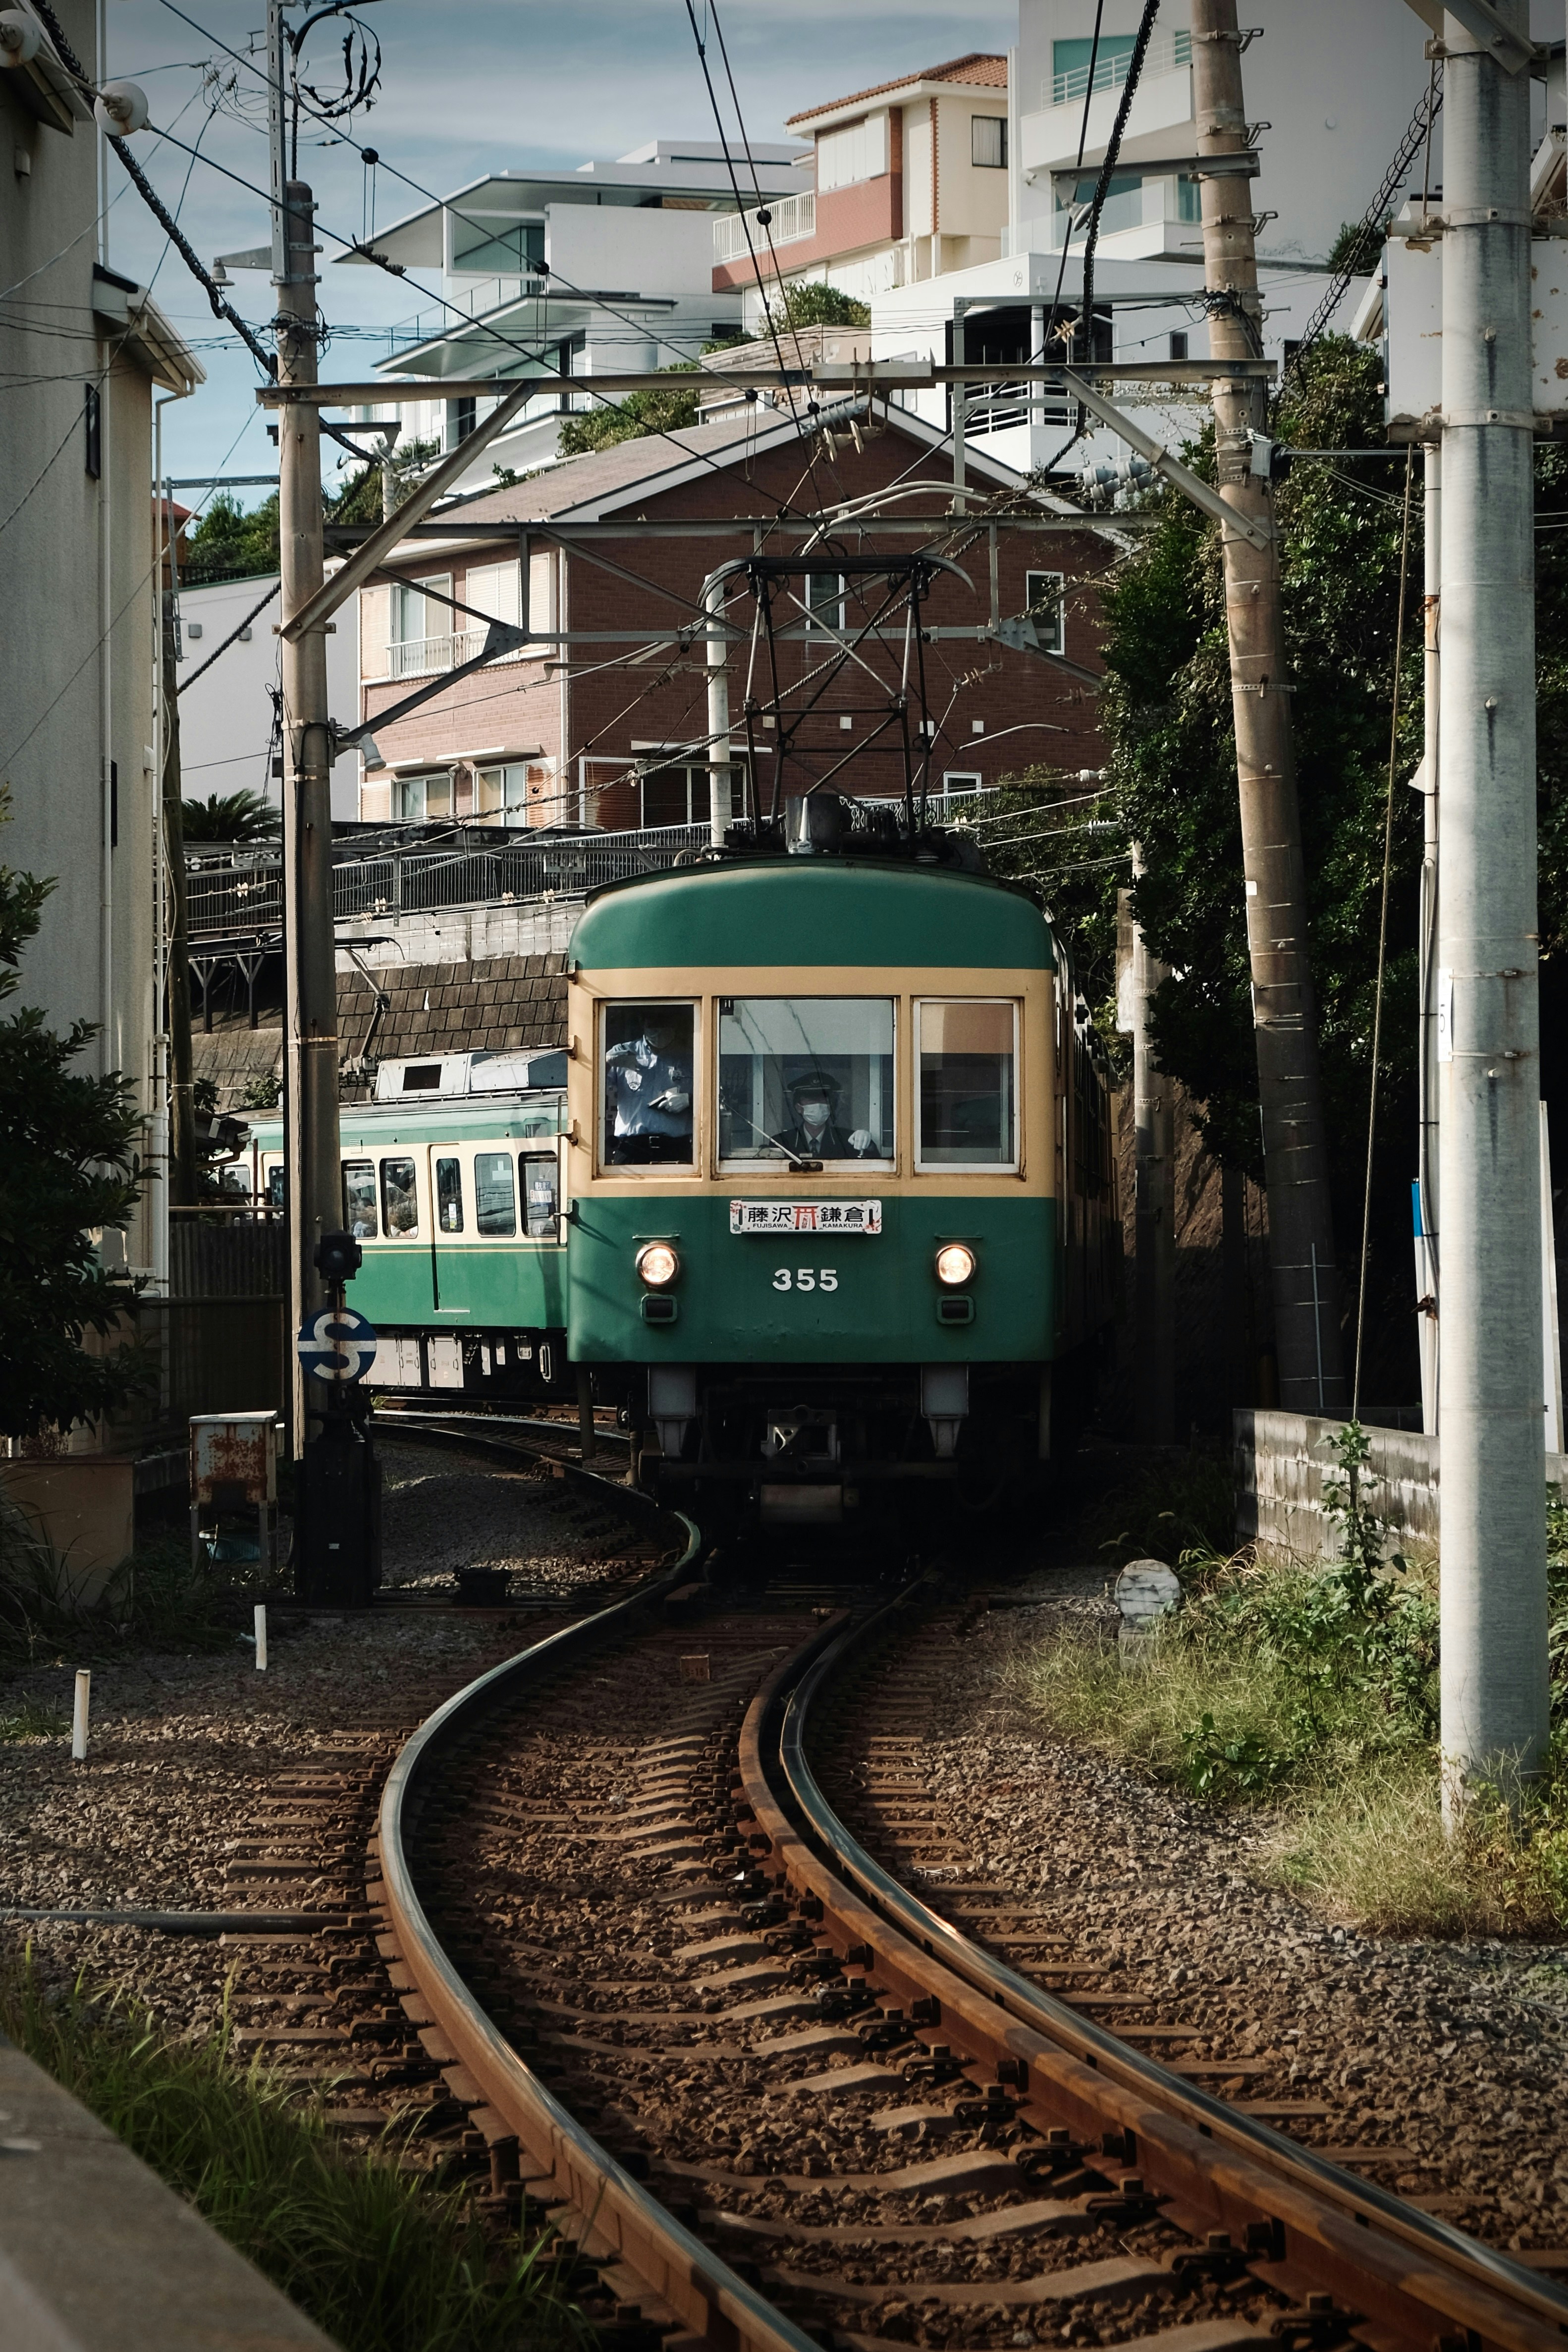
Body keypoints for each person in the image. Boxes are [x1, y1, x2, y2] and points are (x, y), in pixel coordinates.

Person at [606, 1009, 694, 1162]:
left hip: (675, 1147)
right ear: (643, 1023)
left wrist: (690, 1100)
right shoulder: (624, 1053)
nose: (659, 1031)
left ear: (674, 1026)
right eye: (653, 1025)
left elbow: (716, 1097)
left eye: (664, 1025)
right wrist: (604, 1064)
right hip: (632, 1148)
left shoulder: (691, 1057)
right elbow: (594, 1093)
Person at [771, 1070, 878, 1161]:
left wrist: (869, 1146)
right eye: (811, 1100)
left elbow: (873, 1166)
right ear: (799, 1107)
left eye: (823, 1099)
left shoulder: (849, 1140)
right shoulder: (781, 1142)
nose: (817, 1104)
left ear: (830, 1106)